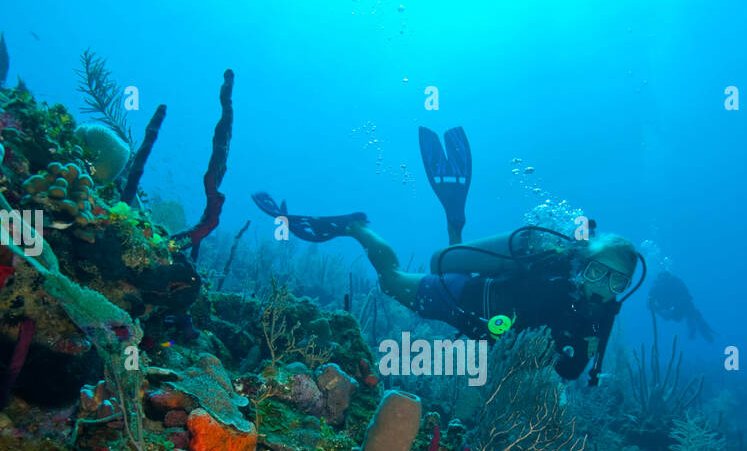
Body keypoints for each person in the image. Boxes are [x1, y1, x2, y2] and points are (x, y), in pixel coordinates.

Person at [252, 127, 644, 385]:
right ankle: (356, 225)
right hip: (463, 299)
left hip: (482, 325)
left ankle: (455, 223)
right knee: (391, 282)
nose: (602, 286)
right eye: (597, 271)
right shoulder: (558, 280)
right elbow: (523, 316)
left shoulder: (601, 316)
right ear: (584, 264)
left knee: (451, 263)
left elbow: (566, 368)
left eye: (616, 282)